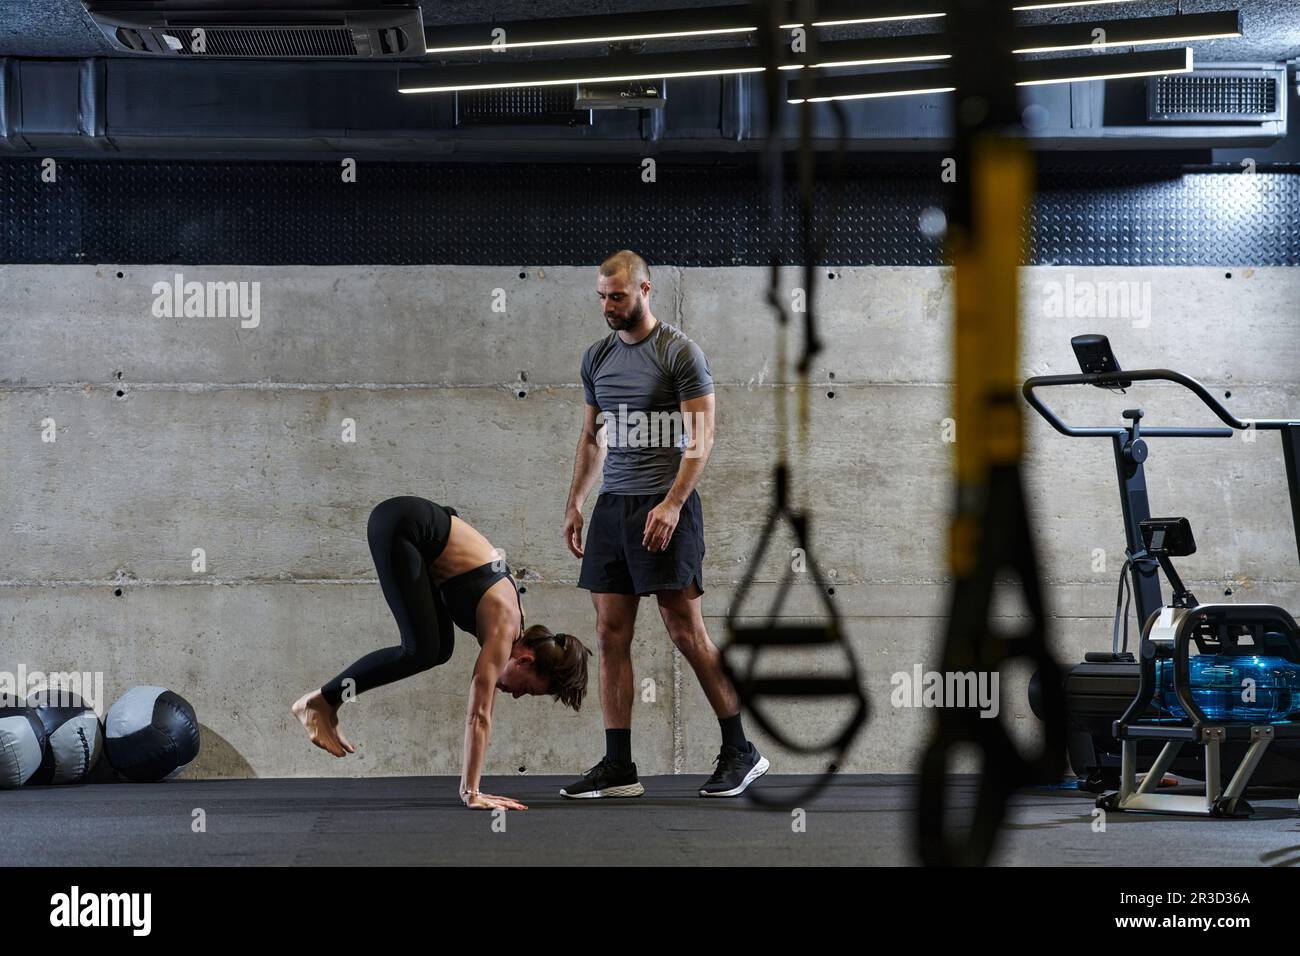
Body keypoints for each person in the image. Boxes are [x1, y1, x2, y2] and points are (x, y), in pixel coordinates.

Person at [561, 250, 769, 799]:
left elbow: (701, 438)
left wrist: (674, 503)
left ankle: (740, 751)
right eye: (602, 297)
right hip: (614, 507)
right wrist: (577, 501)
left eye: (618, 297)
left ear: (645, 291)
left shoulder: (680, 353)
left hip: (666, 503)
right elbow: (591, 437)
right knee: (609, 635)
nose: (608, 306)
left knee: (685, 632)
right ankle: (619, 766)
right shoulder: (596, 358)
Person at [293, 496, 590, 811]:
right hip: (403, 525)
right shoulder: (505, 627)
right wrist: (471, 793)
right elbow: (478, 715)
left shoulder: (514, 623)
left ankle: (326, 702)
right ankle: (318, 703)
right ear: (526, 659)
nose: (516, 695)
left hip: (414, 528)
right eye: (527, 689)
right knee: (422, 649)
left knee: (434, 650)